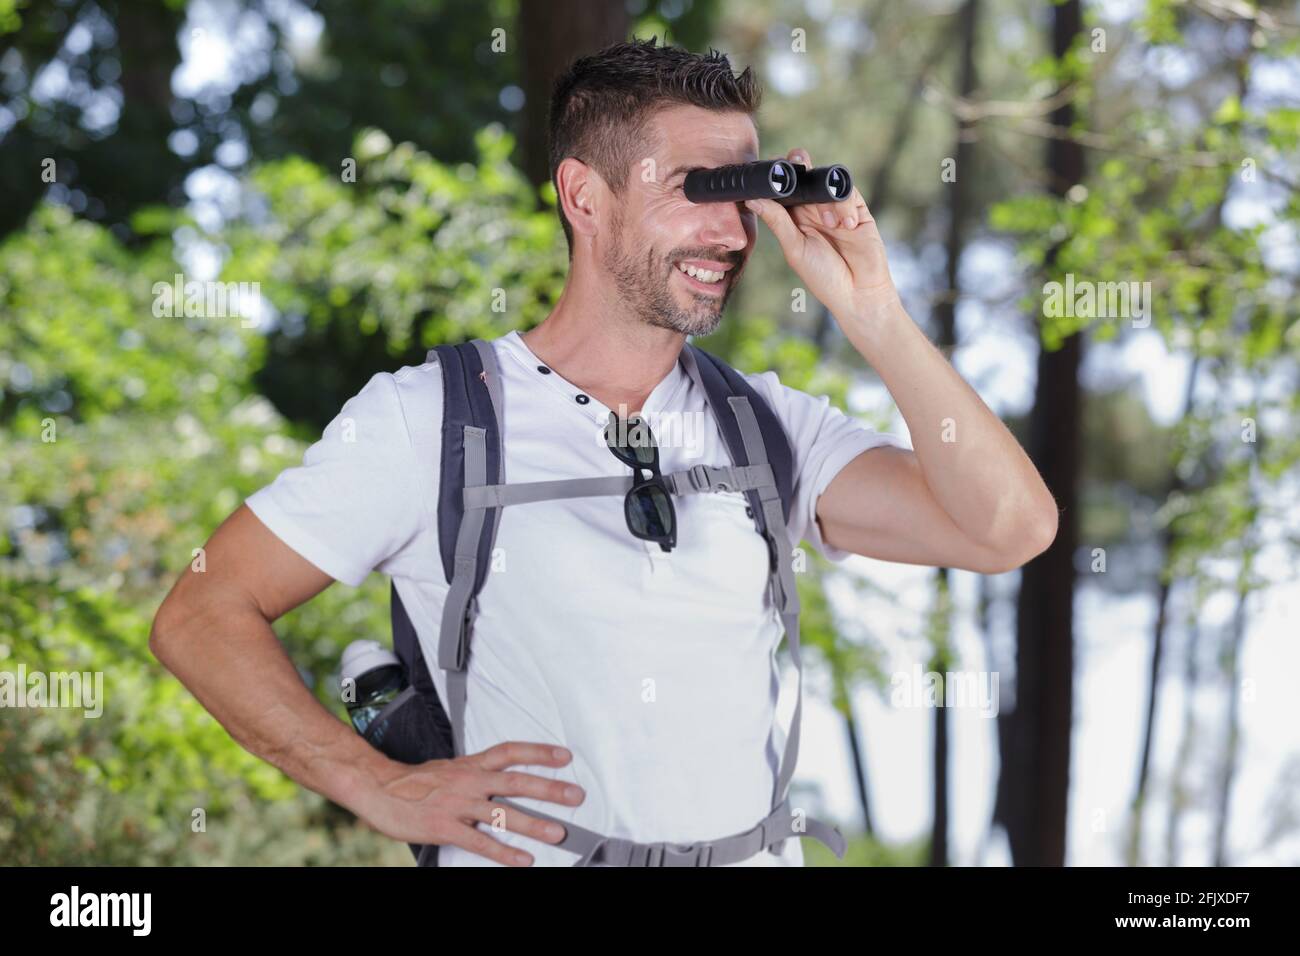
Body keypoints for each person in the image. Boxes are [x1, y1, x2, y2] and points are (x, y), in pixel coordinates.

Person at [149, 38, 1059, 867]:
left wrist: (874, 312)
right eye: (696, 190)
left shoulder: (768, 427)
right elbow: (202, 612)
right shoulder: (431, 419)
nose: (732, 233)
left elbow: (1010, 529)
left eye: (744, 196)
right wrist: (374, 784)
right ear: (585, 196)